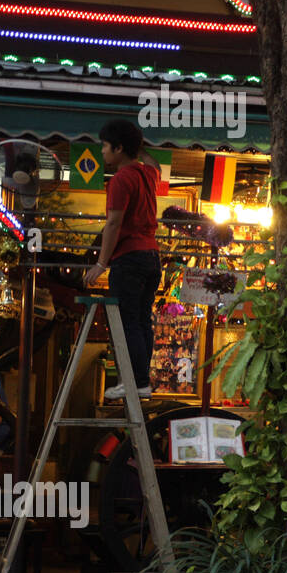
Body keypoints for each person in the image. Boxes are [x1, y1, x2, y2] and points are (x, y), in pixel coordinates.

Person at [85, 118, 161, 401]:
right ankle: (140, 381)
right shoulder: (146, 175)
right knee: (141, 321)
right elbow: (155, 165)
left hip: (129, 259)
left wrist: (100, 263)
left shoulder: (121, 180)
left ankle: (135, 382)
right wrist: (138, 147)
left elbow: (113, 224)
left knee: (128, 322)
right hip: (152, 257)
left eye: (105, 146)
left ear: (118, 148)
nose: (102, 151)